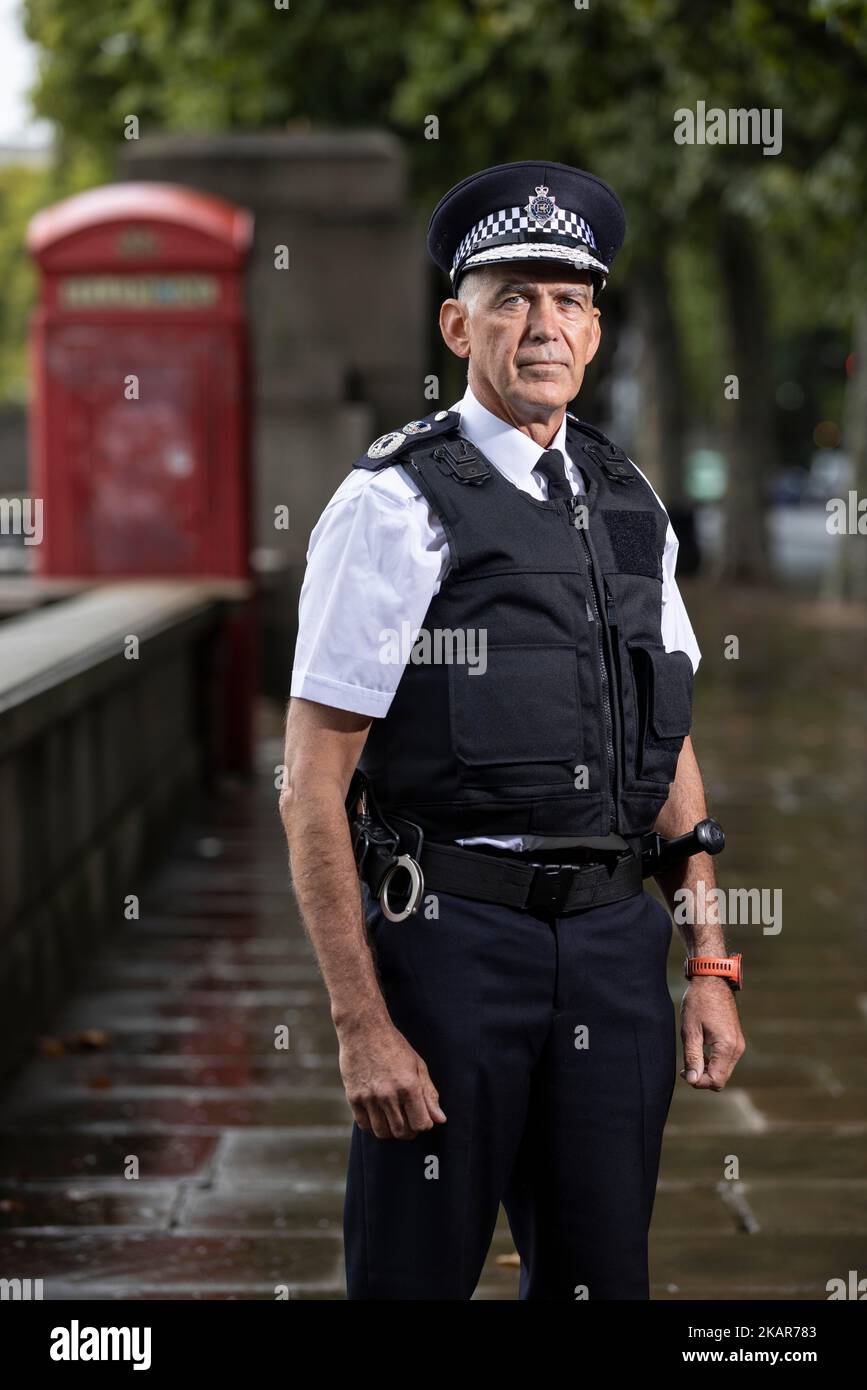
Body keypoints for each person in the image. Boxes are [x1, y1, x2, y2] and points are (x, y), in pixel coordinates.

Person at [280, 160, 745, 1301]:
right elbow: (310, 780)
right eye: (514, 297)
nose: (545, 324)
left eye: (570, 299)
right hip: (450, 954)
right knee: (413, 1279)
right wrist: (360, 1024)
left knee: (601, 1280)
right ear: (459, 322)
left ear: (593, 328)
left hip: (611, 954)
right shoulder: (392, 504)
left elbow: (665, 735)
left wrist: (712, 959)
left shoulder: (633, 500)